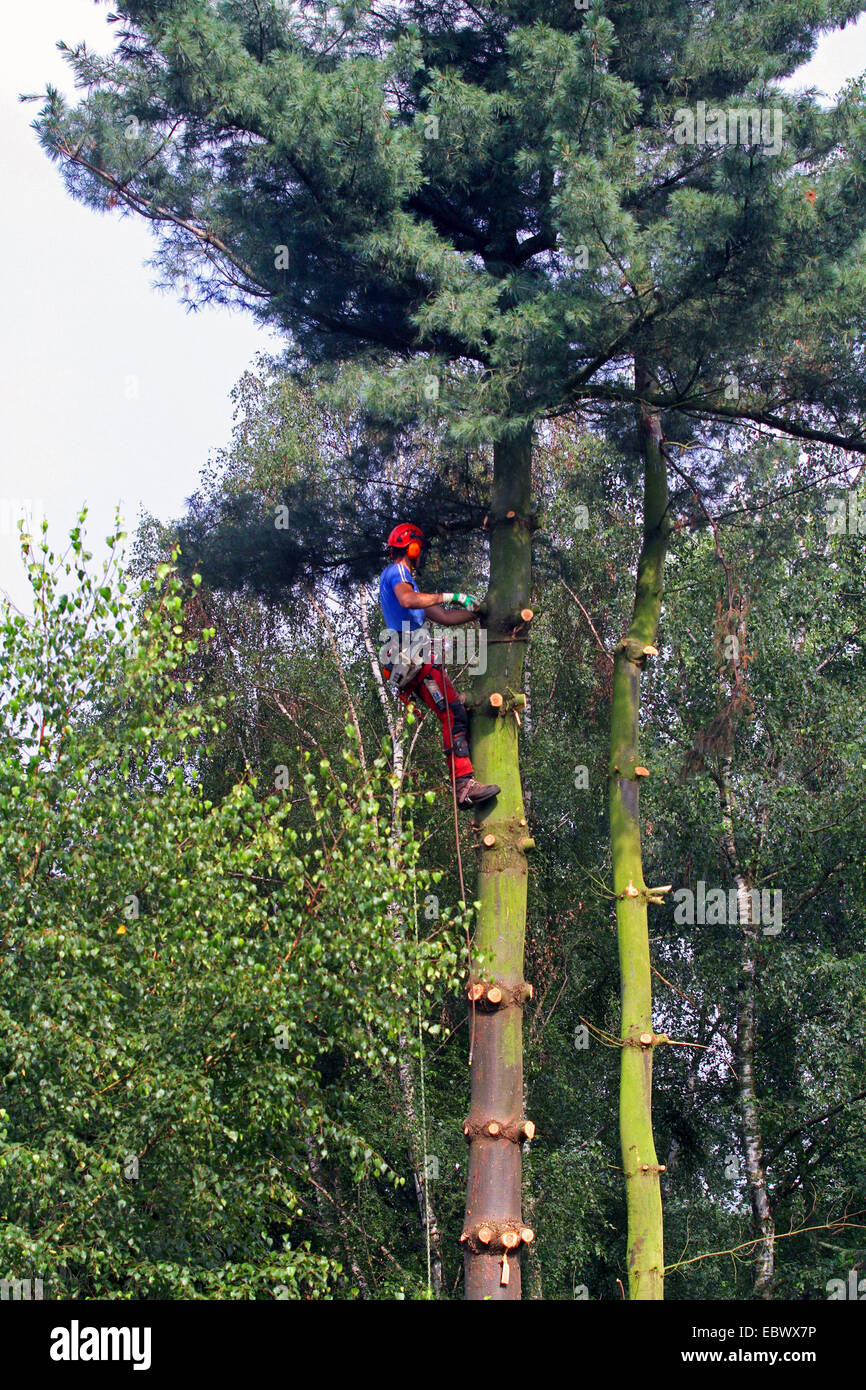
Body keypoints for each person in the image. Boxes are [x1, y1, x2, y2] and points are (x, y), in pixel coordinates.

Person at [379, 523, 500, 809]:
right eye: (418, 551)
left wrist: (477, 614)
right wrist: (450, 595)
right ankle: (464, 784)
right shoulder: (398, 573)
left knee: (455, 713)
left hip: (411, 659)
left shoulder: (411, 586)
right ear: (413, 549)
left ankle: (466, 772)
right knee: (453, 715)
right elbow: (408, 599)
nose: (419, 557)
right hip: (410, 655)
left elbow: (443, 617)